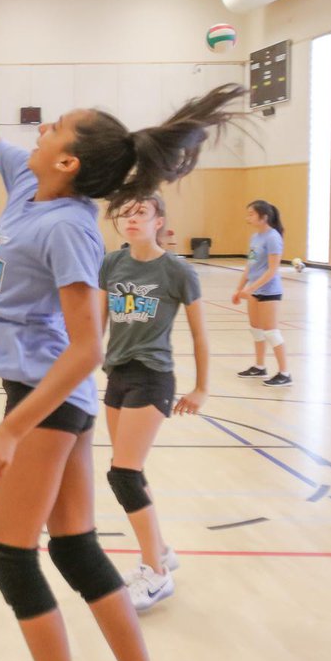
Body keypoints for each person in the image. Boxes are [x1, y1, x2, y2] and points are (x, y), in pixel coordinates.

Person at [0, 8, 242, 661]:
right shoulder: (30, 181)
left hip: (45, 398)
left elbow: (86, 350)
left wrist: (9, 427)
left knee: (10, 557)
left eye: (53, 126)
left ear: (67, 159)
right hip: (39, 397)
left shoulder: (67, 228)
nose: (37, 127)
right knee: (72, 550)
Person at [101, 196, 209, 612]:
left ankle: (156, 574)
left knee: (123, 476)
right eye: (126, 213)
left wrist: (201, 388)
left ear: (158, 221)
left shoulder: (177, 271)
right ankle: (160, 551)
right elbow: (98, 324)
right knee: (130, 470)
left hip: (153, 376)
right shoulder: (111, 264)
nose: (131, 219)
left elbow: (200, 334)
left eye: (141, 213)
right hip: (117, 374)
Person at [232, 200, 290, 386]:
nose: (247, 217)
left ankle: (285, 373)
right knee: (256, 330)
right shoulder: (255, 237)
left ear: (263, 217)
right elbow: (250, 266)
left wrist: (251, 288)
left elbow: (272, 270)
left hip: (269, 292)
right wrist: (240, 288)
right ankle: (259, 366)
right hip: (254, 291)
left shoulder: (273, 238)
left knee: (271, 332)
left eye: (251, 214)